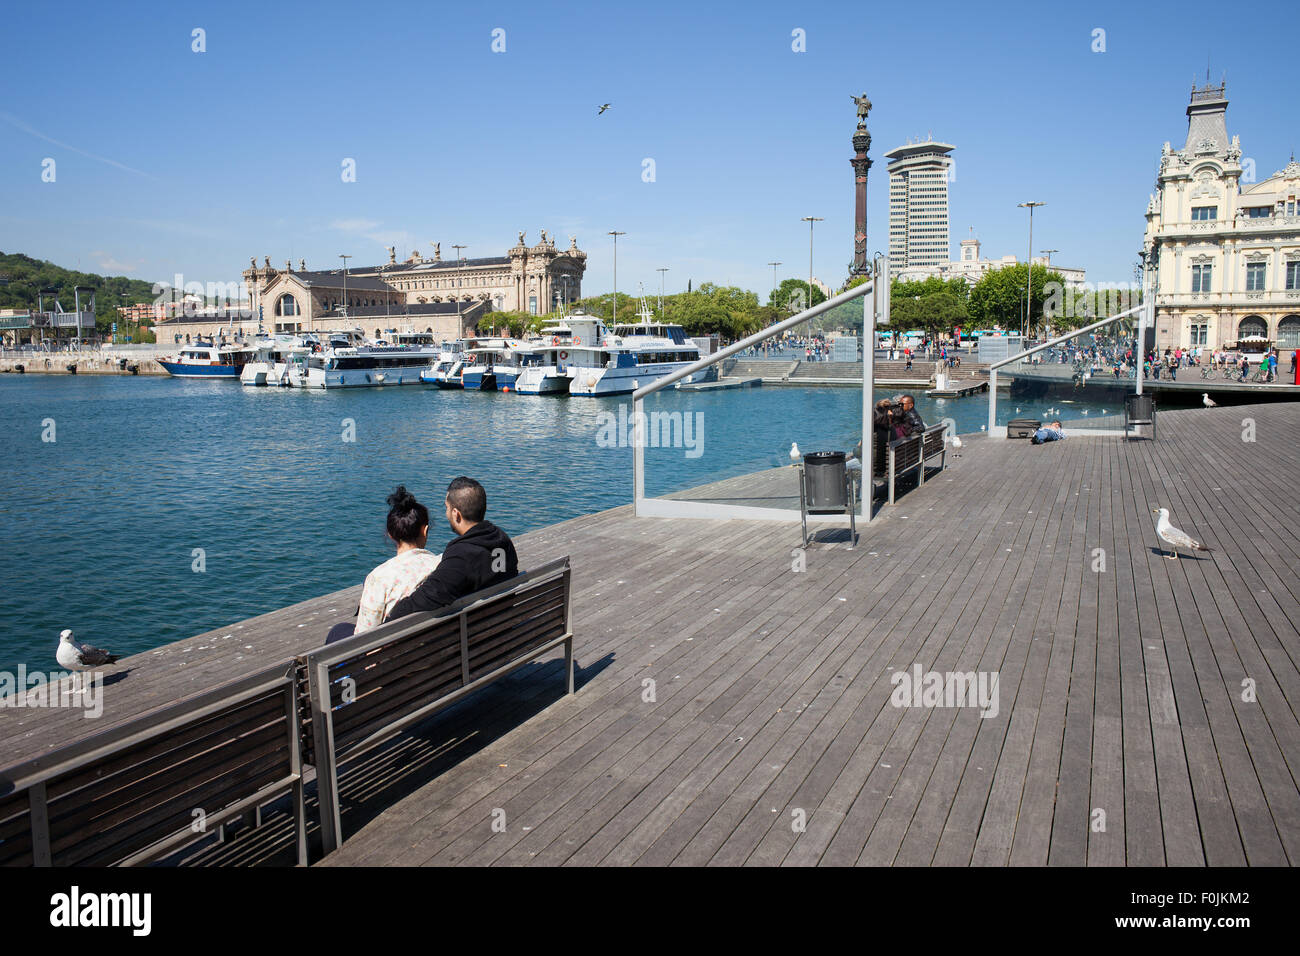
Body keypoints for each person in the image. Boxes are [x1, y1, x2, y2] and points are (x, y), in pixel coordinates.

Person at [386, 477, 519, 622]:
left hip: (474, 638)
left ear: (456, 514)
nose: (446, 513)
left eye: (447, 508)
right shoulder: (502, 539)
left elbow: (428, 596)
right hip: (503, 627)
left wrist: (389, 619)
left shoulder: (462, 554)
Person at [325, 486, 441, 644]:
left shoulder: (380, 577)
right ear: (425, 531)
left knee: (337, 631)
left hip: (393, 663)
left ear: (390, 534)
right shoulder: (442, 565)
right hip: (436, 652)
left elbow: (363, 640)